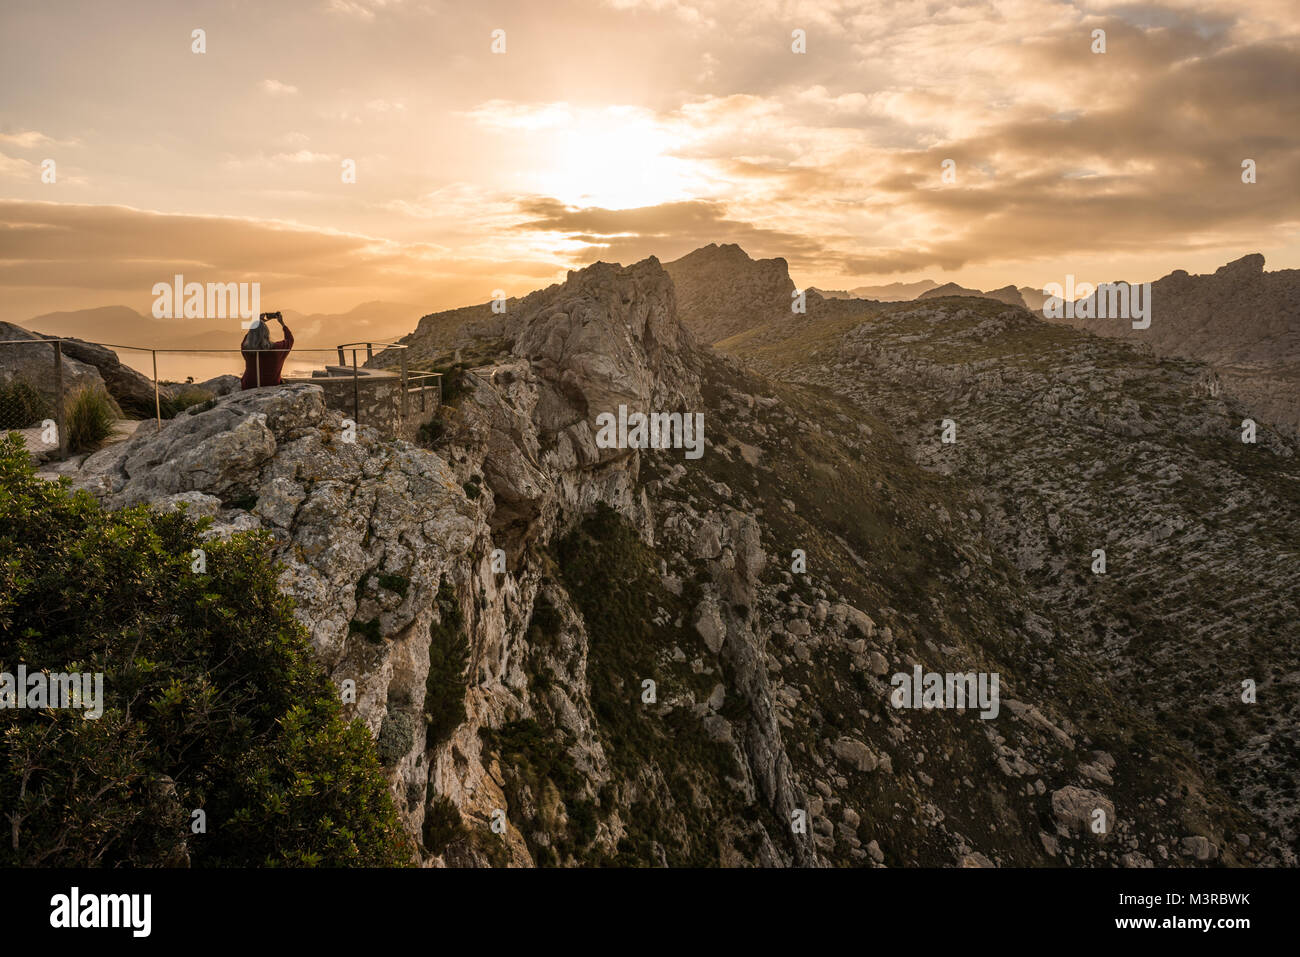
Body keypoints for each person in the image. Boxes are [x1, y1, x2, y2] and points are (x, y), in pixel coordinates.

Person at [240, 312, 293, 390]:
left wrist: (257, 324)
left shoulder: (247, 349)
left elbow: (246, 341)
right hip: (271, 384)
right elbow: (290, 340)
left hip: (249, 385)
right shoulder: (276, 349)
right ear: (267, 333)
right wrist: (282, 323)